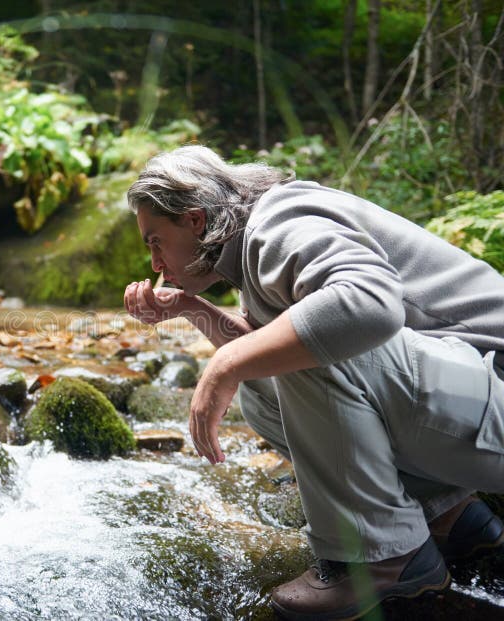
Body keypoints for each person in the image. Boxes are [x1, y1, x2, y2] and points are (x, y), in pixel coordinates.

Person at [123, 144, 504, 620]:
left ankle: (384, 558)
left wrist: (226, 364)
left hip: (494, 393)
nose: (155, 263)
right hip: (475, 407)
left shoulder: (280, 221)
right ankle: (445, 513)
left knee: (303, 348)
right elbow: (272, 349)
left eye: (154, 240)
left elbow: (368, 304)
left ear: (195, 220)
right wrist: (189, 309)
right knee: (267, 380)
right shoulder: (251, 245)